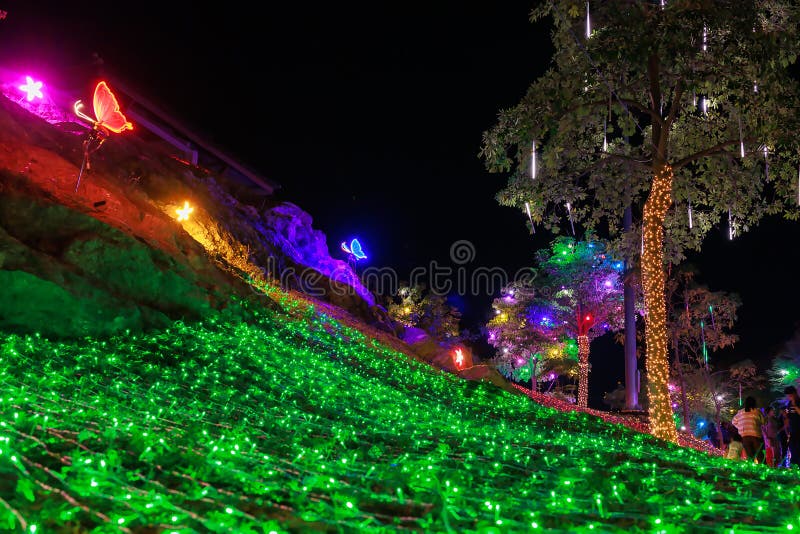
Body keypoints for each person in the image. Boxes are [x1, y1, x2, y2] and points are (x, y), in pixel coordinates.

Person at [732, 396, 766, 463]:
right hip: (756, 435)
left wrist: (741, 427)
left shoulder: (740, 412)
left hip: (744, 436)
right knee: (759, 454)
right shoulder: (757, 411)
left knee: (750, 455)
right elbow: (763, 422)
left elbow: (733, 422)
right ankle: (762, 469)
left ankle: (751, 471)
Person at [784, 386, 800, 467]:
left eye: (789, 395)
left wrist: (795, 406)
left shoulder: (798, 401)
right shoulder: (789, 404)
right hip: (792, 430)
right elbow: (788, 416)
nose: (788, 397)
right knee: (792, 449)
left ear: (794, 394)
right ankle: (794, 467)